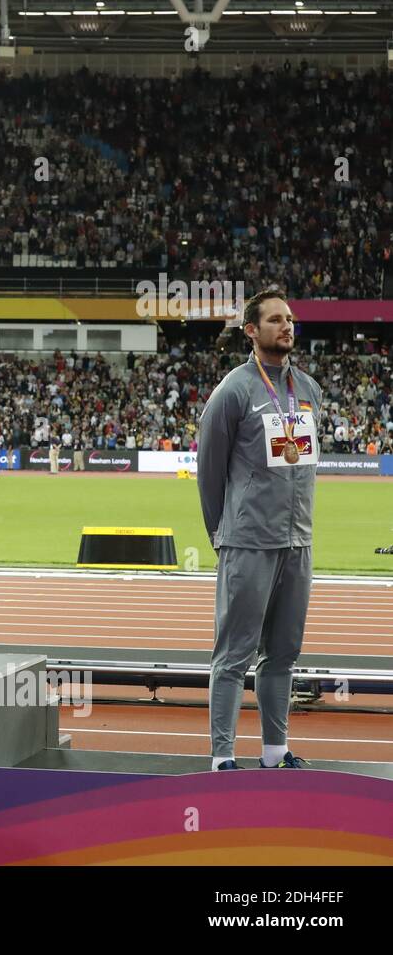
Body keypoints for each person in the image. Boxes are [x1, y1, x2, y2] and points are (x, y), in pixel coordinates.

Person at [197, 289, 324, 771]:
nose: (286, 327)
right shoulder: (234, 391)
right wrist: (223, 532)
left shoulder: (309, 390)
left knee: (283, 655)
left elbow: (304, 468)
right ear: (251, 330)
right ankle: (222, 756)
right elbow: (210, 472)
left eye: (289, 319)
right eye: (274, 320)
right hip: (248, 542)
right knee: (234, 654)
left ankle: (275, 752)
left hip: (297, 542)